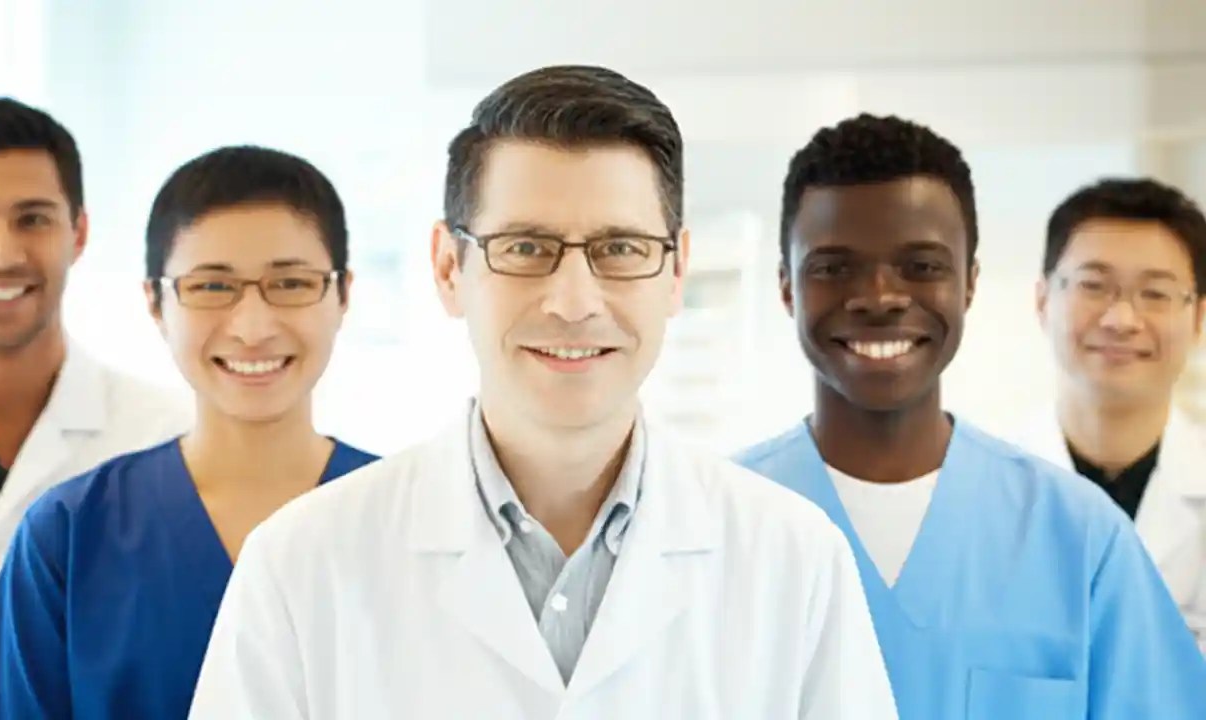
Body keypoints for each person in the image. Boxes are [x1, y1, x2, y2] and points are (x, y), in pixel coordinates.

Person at [187, 65, 895, 719]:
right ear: (447, 267)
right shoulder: (301, 564)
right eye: (525, 248)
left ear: (675, 271)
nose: (574, 301)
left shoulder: (794, 561)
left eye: (620, 249)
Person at [736, 114, 1206, 719]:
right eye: (833, 267)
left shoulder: (1082, 536)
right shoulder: (713, 525)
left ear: (969, 285)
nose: (879, 297)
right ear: (786, 288)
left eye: (922, 266)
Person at [0, 145, 379, 719]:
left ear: (343, 293)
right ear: (154, 301)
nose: (251, 327)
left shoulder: (411, 519)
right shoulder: (70, 536)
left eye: (291, 283)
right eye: (212, 287)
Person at [0, 95, 189, 716]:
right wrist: (76, 628)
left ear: (79, 234)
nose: (2, 253)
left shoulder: (170, 438)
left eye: (33, 219)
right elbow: (122, 652)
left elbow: (175, 656)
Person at [1011, 178, 1206, 653]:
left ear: (1199, 317)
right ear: (1043, 301)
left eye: (1156, 293)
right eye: (1093, 286)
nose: (1121, 319)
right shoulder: (970, 487)